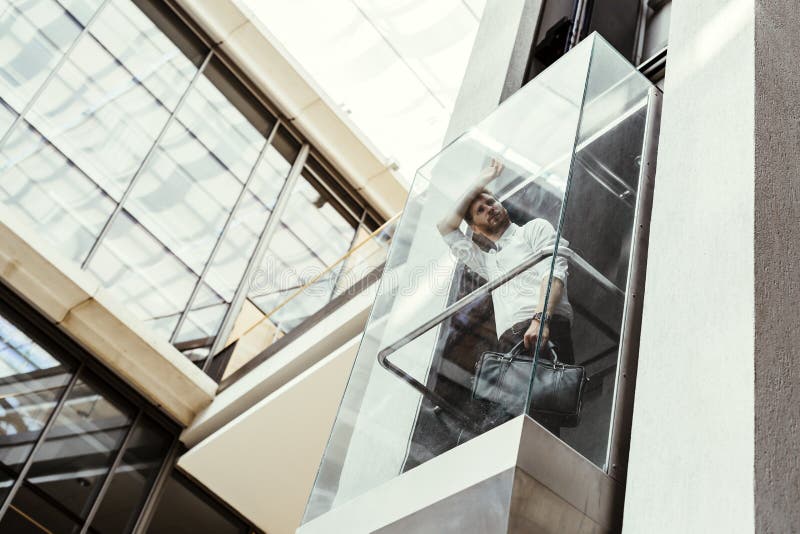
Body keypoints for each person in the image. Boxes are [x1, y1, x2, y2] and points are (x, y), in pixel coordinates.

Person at [436, 159, 574, 435]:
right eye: (480, 210)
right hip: (509, 341)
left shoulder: (534, 229)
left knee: (541, 414)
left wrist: (540, 319)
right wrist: (479, 182)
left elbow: (555, 272)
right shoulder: (487, 261)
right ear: (474, 228)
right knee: (515, 421)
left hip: (541, 325)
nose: (490, 209)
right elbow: (445, 228)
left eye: (491, 202)